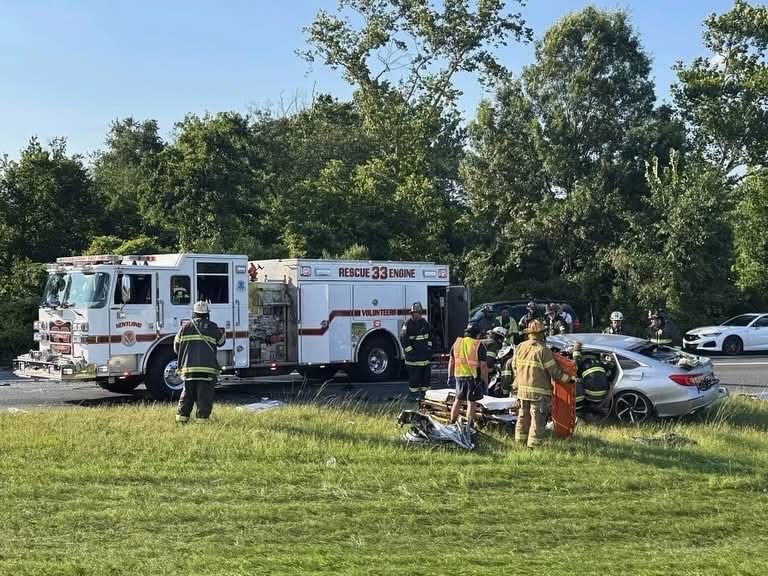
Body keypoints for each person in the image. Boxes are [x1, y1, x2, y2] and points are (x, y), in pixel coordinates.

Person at [513, 319, 576, 448]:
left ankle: (519, 443)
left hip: (521, 391)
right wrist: (569, 379)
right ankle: (534, 446)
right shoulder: (543, 350)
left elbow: (514, 366)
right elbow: (554, 372)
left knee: (523, 417)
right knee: (537, 419)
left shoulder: (520, 347)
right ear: (541, 333)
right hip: (539, 393)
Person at [175, 301, 226, 423]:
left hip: (188, 370)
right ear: (207, 314)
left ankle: (181, 420)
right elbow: (221, 342)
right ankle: (202, 422)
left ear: (194, 313)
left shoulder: (185, 327)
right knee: (204, 396)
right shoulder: (213, 327)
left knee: (187, 395)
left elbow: (176, 347)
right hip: (207, 370)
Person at [448, 323, 488, 429]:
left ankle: (451, 422)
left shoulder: (457, 343)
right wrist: (485, 382)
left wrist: (450, 376)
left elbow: (451, 361)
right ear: (476, 334)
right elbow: (483, 366)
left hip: (459, 376)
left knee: (458, 400)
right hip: (473, 377)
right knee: (471, 402)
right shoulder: (478, 345)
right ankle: (469, 426)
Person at [400, 302, 432, 398]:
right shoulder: (407, 325)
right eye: (416, 313)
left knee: (426, 382)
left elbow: (430, 338)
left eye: (419, 313)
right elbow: (404, 340)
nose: (418, 314)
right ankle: (413, 397)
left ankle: (426, 398)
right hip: (413, 361)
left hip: (425, 360)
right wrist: (411, 353)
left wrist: (429, 350)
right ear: (412, 313)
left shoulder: (425, 324)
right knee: (414, 381)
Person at [572, 341, 610, 417]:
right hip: (603, 396)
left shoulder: (582, 364)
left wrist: (576, 349)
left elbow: (575, 364)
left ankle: (578, 411)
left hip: (591, 396)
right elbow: (609, 372)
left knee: (575, 384)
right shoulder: (599, 363)